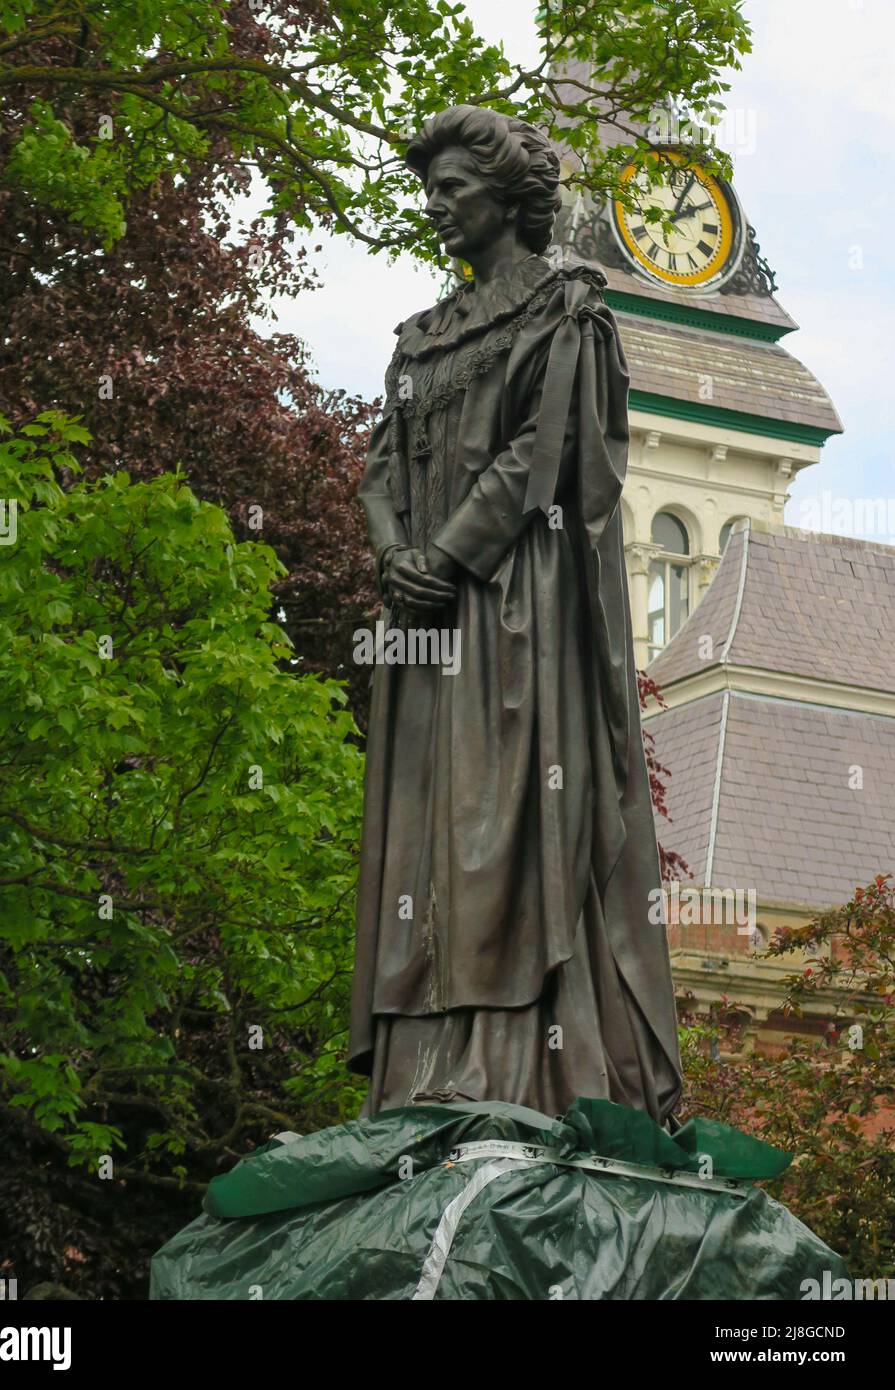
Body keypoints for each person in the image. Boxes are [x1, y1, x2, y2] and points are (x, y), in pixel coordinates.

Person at [348, 105, 682, 1126]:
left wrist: (446, 556)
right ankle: (421, 1077)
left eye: (454, 187)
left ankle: (526, 1075)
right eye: (432, 189)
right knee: (425, 843)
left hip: (514, 615)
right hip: (428, 623)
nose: (436, 205)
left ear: (509, 197)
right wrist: (395, 553)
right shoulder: (421, 337)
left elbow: (549, 455)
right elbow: (376, 466)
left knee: (508, 830)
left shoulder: (567, 312)